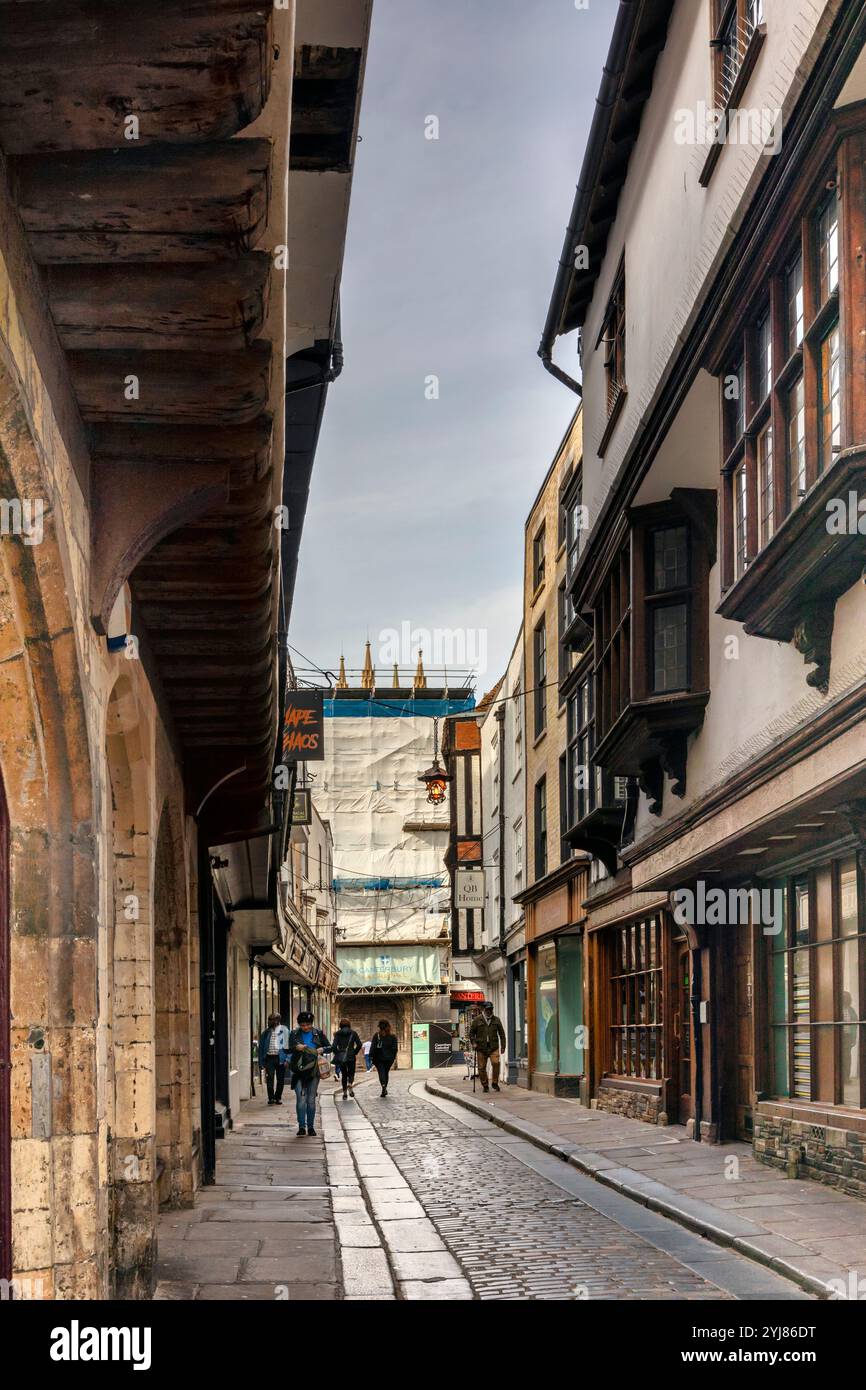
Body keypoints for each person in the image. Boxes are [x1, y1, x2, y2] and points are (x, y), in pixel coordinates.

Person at [287, 1010, 332, 1136]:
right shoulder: (294, 1033)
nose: (305, 1027)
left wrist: (322, 1049)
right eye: (302, 1025)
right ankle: (302, 1127)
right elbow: (288, 1048)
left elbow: (330, 1047)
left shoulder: (318, 1033)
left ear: (311, 1023)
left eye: (307, 1024)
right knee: (301, 1100)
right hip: (298, 1070)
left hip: (313, 1071)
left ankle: (311, 1127)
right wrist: (296, 1047)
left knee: (311, 1100)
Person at [469, 1000, 507, 1093]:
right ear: (483, 1009)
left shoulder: (496, 1020)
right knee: (481, 1068)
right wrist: (473, 1042)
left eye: (491, 1009)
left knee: (496, 1063)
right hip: (481, 1047)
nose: (489, 1011)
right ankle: (485, 1085)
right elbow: (471, 1033)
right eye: (487, 1009)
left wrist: (503, 1046)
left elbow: (502, 1034)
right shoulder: (477, 1020)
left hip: (494, 1047)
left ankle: (494, 1083)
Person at [258, 1013, 289, 1105]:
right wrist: (261, 1061)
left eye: (270, 1019)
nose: (268, 1021)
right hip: (269, 1058)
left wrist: (288, 1059)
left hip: (281, 1058)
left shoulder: (285, 1031)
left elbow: (289, 1046)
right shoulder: (266, 1032)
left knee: (280, 1079)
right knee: (270, 1078)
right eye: (269, 1019)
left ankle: (278, 1097)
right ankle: (271, 1098)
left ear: (277, 1021)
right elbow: (261, 1048)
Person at [332, 1017, 363, 1099]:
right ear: (349, 1025)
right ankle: (350, 1083)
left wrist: (337, 1054)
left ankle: (345, 1093)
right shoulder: (353, 1033)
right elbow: (359, 1044)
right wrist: (354, 1052)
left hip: (341, 1057)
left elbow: (334, 1046)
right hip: (351, 1056)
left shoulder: (337, 1034)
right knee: (351, 1072)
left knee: (344, 1075)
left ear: (340, 1025)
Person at [370, 1019, 397, 1096]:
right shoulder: (393, 1036)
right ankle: (384, 1087)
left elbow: (373, 1047)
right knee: (386, 1072)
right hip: (389, 1059)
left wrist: (371, 1056)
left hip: (378, 1058)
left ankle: (383, 1086)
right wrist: (393, 1057)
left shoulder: (377, 1035)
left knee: (381, 1072)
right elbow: (395, 1049)